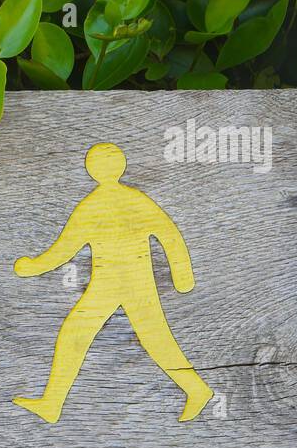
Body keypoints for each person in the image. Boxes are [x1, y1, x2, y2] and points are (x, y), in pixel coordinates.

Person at [13, 142, 214, 424]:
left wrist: (32, 267)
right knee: (83, 333)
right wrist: (182, 276)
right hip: (113, 283)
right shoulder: (134, 199)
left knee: (148, 338)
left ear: (91, 170)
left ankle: (197, 390)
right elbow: (170, 236)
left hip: (126, 284)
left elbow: (63, 249)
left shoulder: (92, 205)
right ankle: (52, 402)